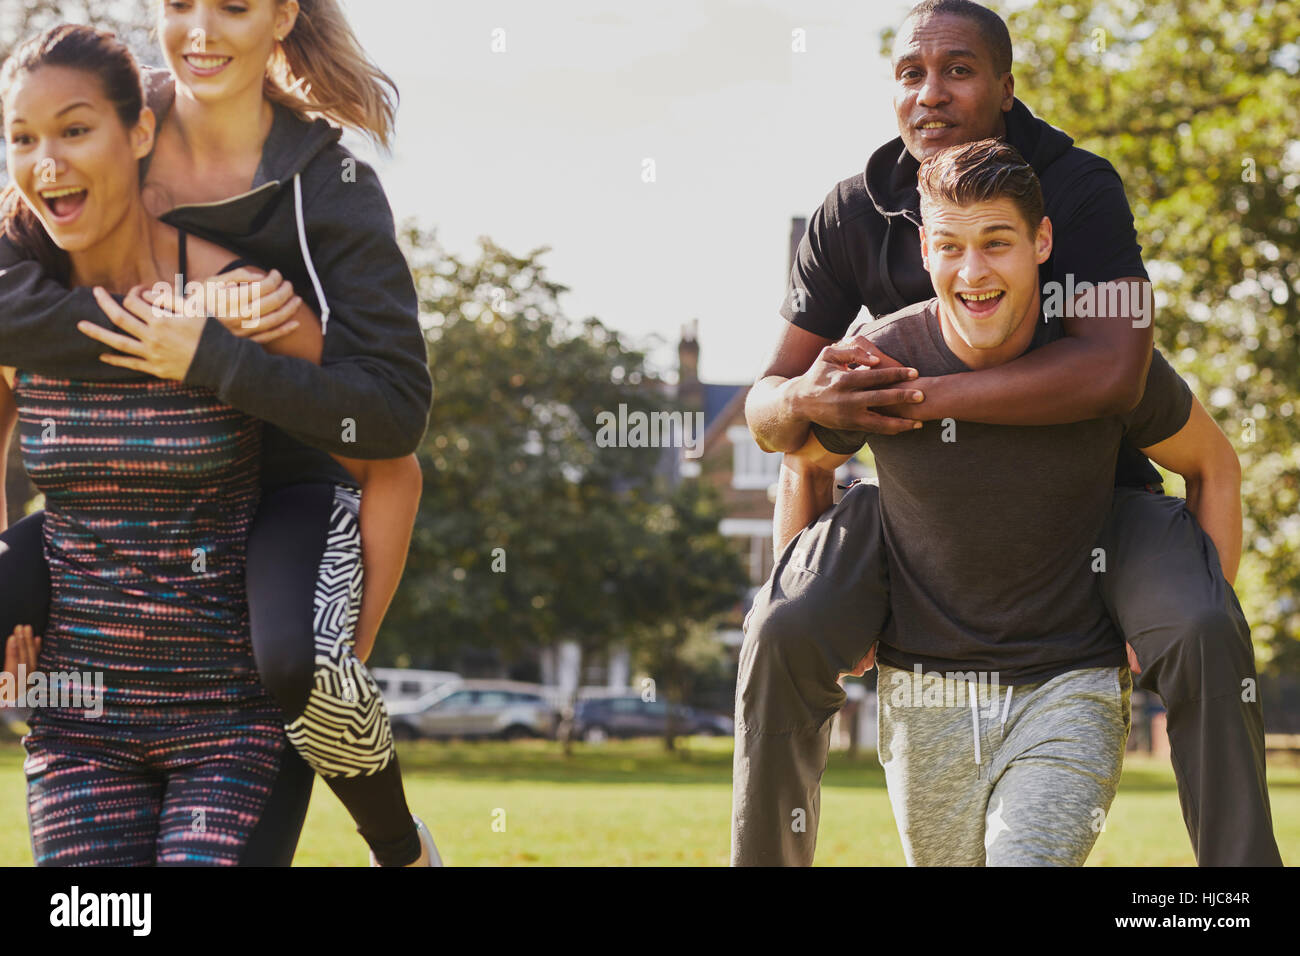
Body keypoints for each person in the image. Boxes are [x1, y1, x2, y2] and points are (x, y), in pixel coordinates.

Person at [732, 0, 1280, 867]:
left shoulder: (1077, 188)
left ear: (1006, 88)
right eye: (911, 74)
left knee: (1205, 630)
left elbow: (1115, 374)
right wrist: (810, 402)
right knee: (783, 624)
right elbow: (776, 415)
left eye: (958, 70)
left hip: (1099, 492)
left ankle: (1234, 889)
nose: (931, 93)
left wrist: (928, 399)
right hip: (915, 502)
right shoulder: (850, 218)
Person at [0, 0, 438, 866]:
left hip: (287, 485)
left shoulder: (325, 193)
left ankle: (400, 846)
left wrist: (219, 353)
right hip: (124, 510)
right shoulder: (91, 149)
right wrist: (172, 317)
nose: (199, 31)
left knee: (298, 667)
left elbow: (391, 424)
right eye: (178, 5)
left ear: (282, 15)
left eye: (232, 6)